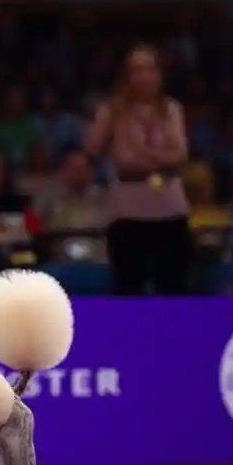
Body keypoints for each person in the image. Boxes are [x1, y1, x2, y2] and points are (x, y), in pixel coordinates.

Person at [83, 43, 192, 295]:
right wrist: (107, 122)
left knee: (174, 286)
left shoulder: (172, 109)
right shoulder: (113, 111)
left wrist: (140, 157)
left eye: (150, 69)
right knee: (129, 287)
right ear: (126, 76)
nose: (144, 77)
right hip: (128, 211)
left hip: (169, 207)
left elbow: (179, 154)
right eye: (137, 70)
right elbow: (96, 151)